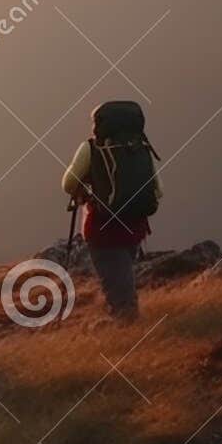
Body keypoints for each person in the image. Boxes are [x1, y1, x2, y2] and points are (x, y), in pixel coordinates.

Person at [61, 100, 163, 322]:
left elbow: (68, 184)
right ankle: (127, 325)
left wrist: (88, 189)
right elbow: (159, 190)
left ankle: (128, 332)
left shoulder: (91, 148)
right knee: (123, 279)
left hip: (103, 230)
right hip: (135, 227)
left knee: (119, 293)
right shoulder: (141, 147)